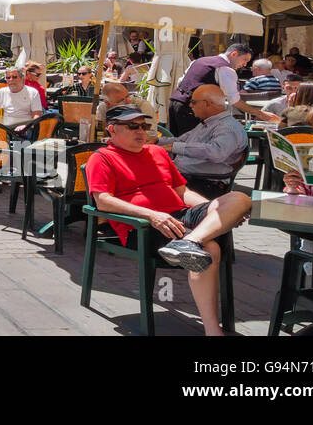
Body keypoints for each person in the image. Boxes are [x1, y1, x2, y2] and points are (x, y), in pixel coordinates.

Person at [86, 105, 252, 336]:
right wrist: (151, 214)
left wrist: (214, 210)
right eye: (133, 126)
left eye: (144, 126)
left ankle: (190, 241)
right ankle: (213, 331)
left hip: (181, 217)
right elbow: (103, 201)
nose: (141, 131)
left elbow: (182, 192)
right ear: (112, 130)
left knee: (240, 198)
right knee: (209, 249)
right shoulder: (102, 158)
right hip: (143, 226)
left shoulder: (157, 153)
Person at [156, 84, 248, 198]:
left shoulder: (228, 127)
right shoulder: (208, 123)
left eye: (193, 102)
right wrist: (156, 141)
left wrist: (175, 147)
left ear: (207, 103)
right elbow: (181, 140)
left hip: (203, 184)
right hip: (188, 177)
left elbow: (216, 152)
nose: (190, 105)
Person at [167, 43, 253, 135]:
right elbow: (234, 100)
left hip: (175, 102)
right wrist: (260, 114)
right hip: (191, 109)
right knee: (191, 146)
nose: (245, 64)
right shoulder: (225, 69)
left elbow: (181, 82)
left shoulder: (199, 61)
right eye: (245, 60)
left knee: (176, 143)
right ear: (234, 54)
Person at [0, 66, 42, 132]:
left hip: (25, 127)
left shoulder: (32, 92)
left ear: (22, 78)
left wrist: (26, 126)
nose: (11, 80)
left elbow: (36, 115)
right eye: (8, 77)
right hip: (4, 127)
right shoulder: (0, 92)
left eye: (14, 77)